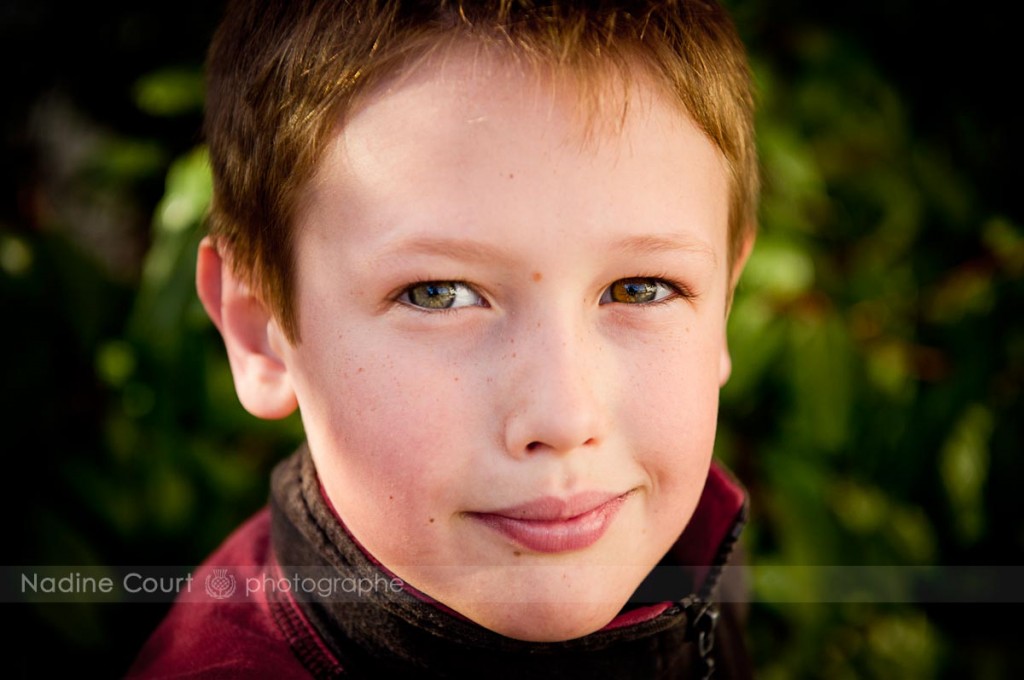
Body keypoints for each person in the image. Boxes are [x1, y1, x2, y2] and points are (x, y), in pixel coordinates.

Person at [128, 0, 759, 677]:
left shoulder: (684, 557)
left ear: (724, 301)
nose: (564, 418)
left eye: (642, 288)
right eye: (438, 294)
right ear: (263, 331)